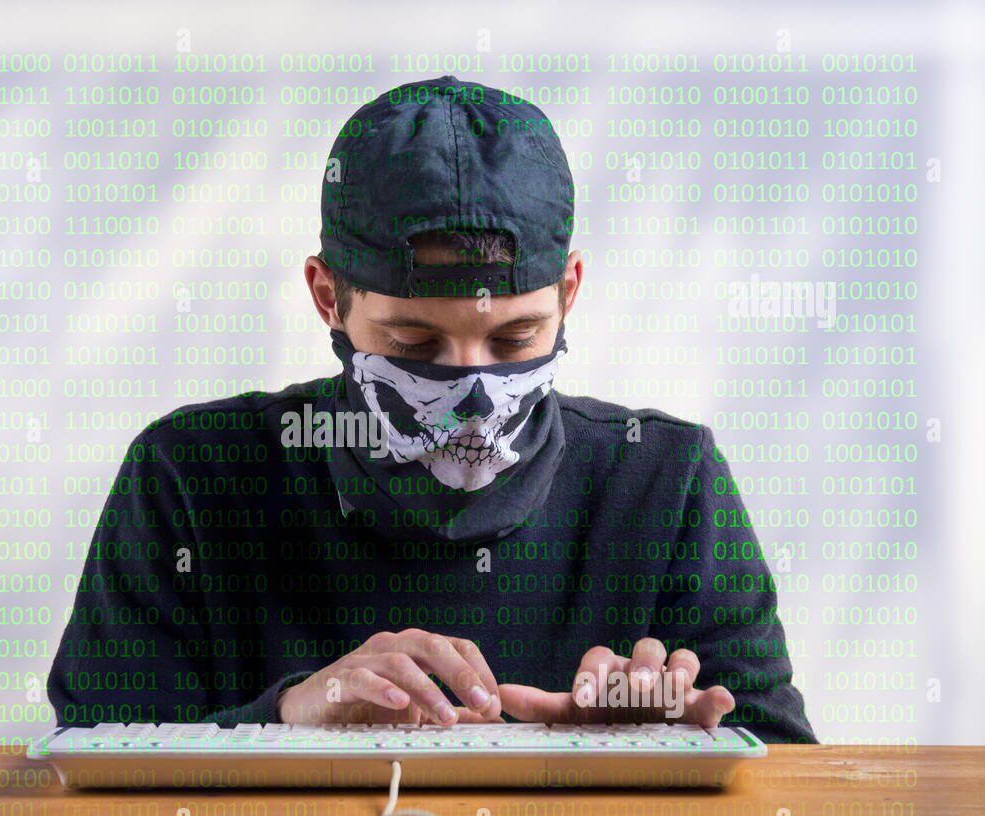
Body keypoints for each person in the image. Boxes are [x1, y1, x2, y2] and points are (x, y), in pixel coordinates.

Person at [47, 74, 818, 744]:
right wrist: (287, 717)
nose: (473, 399)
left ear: (569, 294)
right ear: (329, 299)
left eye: (517, 337)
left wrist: (664, 762)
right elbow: (94, 760)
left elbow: (788, 779)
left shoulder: (665, 483)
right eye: (415, 343)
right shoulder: (194, 478)